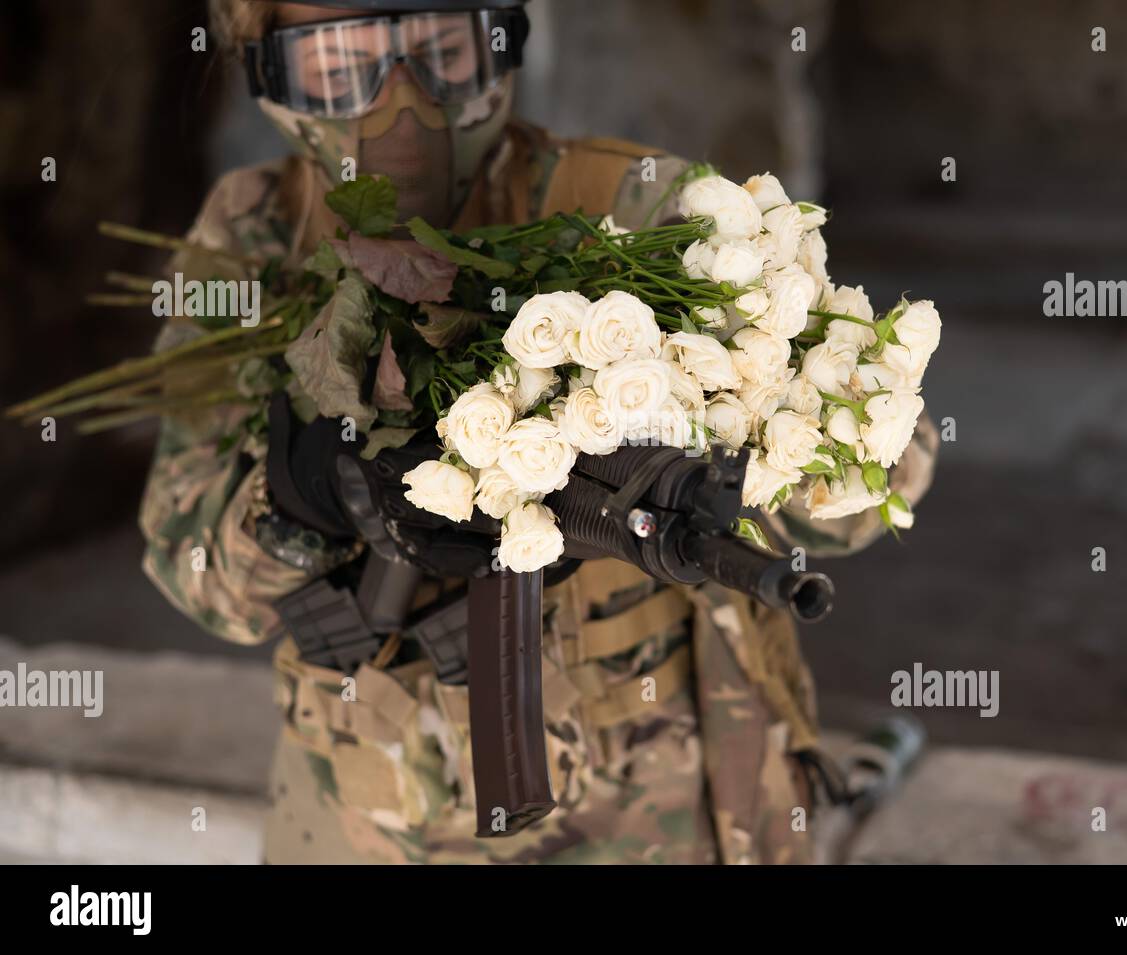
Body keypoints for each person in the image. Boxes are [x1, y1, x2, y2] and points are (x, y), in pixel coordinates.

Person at [140, 0, 938, 864]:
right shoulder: (254, 242)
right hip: (372, 810)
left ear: (501, 42)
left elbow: (883, 471)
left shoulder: (632, 207)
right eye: (340, 67)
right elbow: (191, 571)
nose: (397, 105)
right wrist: (304, 497)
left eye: (441, 52)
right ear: (269, 74)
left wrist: (714, 445)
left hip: (656, 803)